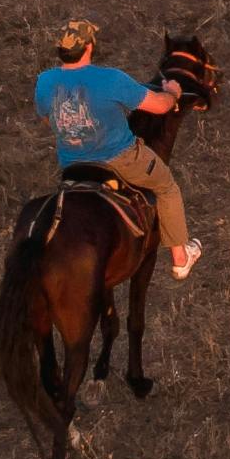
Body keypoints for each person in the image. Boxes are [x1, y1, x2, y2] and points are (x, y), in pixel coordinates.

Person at [34, 17, 201, 279]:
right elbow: (160, 106)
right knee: (167, 186)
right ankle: (181, 259)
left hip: (72, 166)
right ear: (89, 46)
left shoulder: (44, 81)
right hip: (119, 158)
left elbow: (48, 118)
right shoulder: (110, 79)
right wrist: (173, 93)